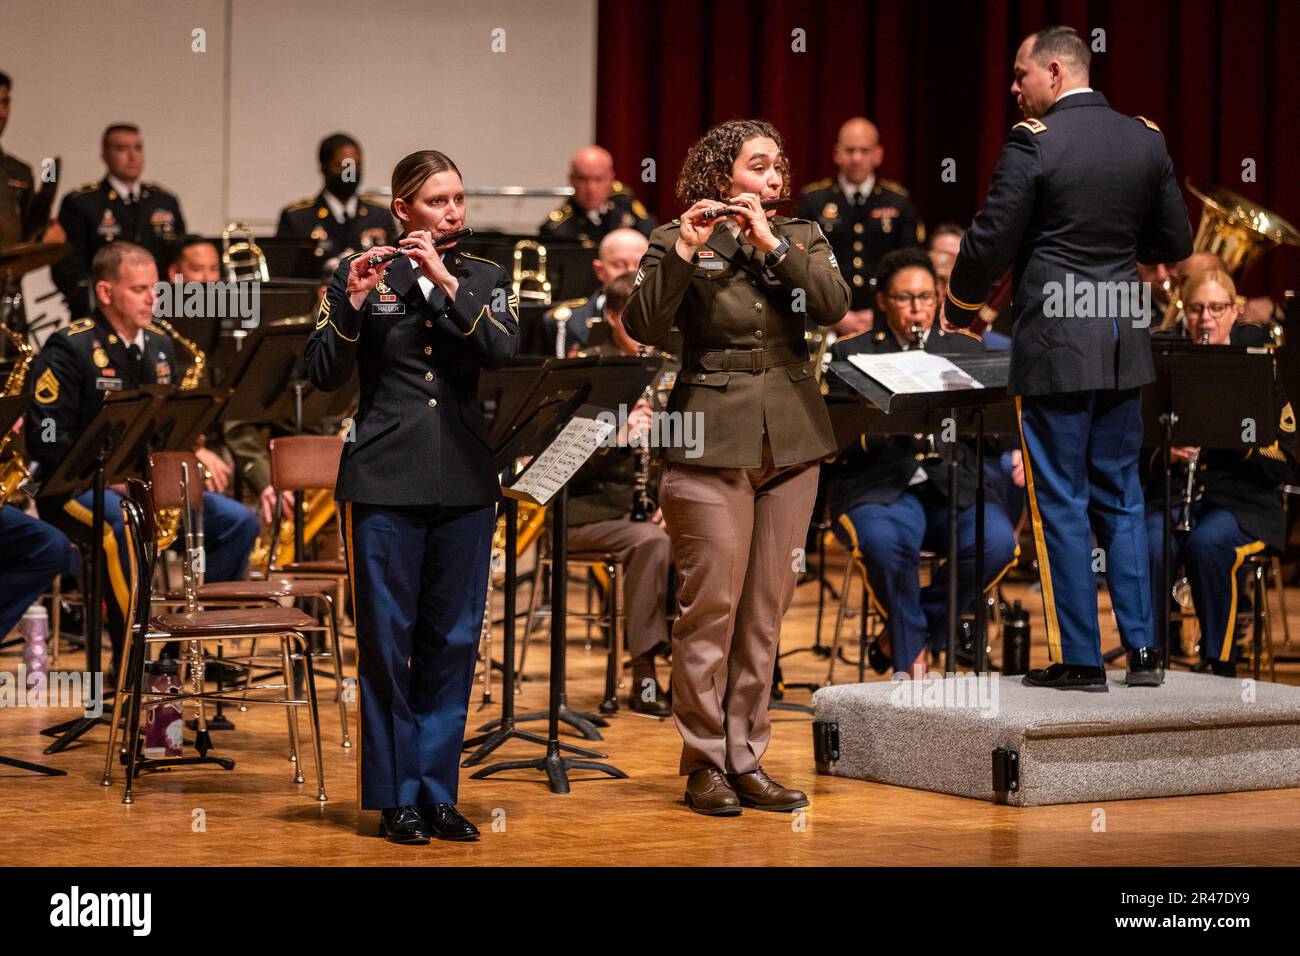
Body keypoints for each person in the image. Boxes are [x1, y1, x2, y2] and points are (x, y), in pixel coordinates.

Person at [943, 25, 1193, 690]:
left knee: (1060, 497)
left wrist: (961, 307)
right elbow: (1175, 239)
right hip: (1122, 342)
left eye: (1021, 75)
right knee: (1123, 493)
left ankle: (1080, 659)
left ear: (1055, 71)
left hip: (1056, 343)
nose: (1014, 89)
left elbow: (990, 240)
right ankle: (1143, 652)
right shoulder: (1145, 137)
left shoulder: (1036, 143)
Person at [625, 118, 849, 816]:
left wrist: (773, 245)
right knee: (709, 612)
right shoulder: (676, 236)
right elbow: (646, 326)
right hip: (707, 439)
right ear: (725, 177)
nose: (775, 178)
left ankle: (747, 758)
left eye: (779, 167)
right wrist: (687, 252)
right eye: (759, 166)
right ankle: (703, 760)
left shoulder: (802, 237)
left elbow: (832, 308)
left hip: (790, 439)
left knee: (764, 615)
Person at [306, 149, 519, 845]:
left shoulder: (484, 275)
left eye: (458, 199)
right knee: (385, 641)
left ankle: (436, 792)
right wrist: (354, 299)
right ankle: (394, 795)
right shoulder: (360, 272)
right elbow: (322, 372)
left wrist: (442, 278)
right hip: (383, 480)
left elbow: (500, 352)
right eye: (436, 202)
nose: (452, 212)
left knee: (452, 642)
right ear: (403, 209)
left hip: (464, 478)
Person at [25, 242, 259, 668]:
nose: (154, 298)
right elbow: (46, 440)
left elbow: (166, 426)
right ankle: (131, 657)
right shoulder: (69, 348)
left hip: (144, 487)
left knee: (238, 521)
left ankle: (184, 648)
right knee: (122, 524)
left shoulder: (159, 346)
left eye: (155, 288)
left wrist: (194, 450)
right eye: (138, 289)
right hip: (74, 489)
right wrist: (107, 474)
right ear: (105, 292)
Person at [828, 249, 1018, 676]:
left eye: (927, 297)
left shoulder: (965, 348)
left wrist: (1017, 449)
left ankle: (901, 637)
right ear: (882, 302)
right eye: (904, 298)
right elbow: (840, 439)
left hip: (952, 483)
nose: (918, 309)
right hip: (879, 484)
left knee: (998, 544)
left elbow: (995, 432)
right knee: (884, 546)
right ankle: (913, 660)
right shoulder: (852, 353)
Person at [1144, 269, 1295, 676]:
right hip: (1178, 496)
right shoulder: (1166, 365)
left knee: (1208, 544)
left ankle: (1219, 660)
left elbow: (1286, 459)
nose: (1205, 318)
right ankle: (1150, 657)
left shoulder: (1259, 371)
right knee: (1151, 543)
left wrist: (1239, 437)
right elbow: (1138, 448)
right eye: (1196, 308)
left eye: (1216, 307)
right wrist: (1168, 452)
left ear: (1234, 311)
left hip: (1245, 504)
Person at [569, 272, 677, 715]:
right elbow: (559, 463)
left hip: (653, 510)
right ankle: (645, 674)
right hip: (586, 513)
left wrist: (673, 501)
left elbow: (688, 447)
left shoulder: (668, 370)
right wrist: (614, 437)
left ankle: (710, 675)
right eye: (636, 319)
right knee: (651, 543)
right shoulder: (590, 368)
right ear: (613, 316)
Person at [796, 117, 923, 338]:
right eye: (850, 150)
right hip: (824, 322)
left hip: (884, 320)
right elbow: (800, 266)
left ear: (878, 155)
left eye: (864, 151)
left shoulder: (898, 203)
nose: (856, 158)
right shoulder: (812, 201)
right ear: (837, 153)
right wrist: (835, 314)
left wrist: (881, 310)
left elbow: (909, 265)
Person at [52, 125, 185, 318]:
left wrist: (176, 300)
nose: (132, 156)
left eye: (138, 148)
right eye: (122, 149)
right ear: (104, 155)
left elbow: (178, 258)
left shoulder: (164, 201)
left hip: (157, 308)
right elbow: (68, 268)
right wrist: (90, 303)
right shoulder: (83, 203)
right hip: (102, 312)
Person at [276, 133, 394, 259]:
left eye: (356, 165)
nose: (350, 173)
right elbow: (285, 272)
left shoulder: (379, 215)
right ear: (324, 167)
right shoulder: (297, 218)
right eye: (344, 166)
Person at [540, 227, 648, 356]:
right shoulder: (565, 323)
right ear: (599, 270)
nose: (632, 272)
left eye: (641, 265)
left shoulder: (671, 316)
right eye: (620, 265)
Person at [539, 146, 656, 247]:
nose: (591, 188)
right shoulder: (557, 229)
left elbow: (652, 235)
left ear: (611, 178)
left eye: (598, 179)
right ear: (571, 180)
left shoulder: (623, 201)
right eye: (582, 179)